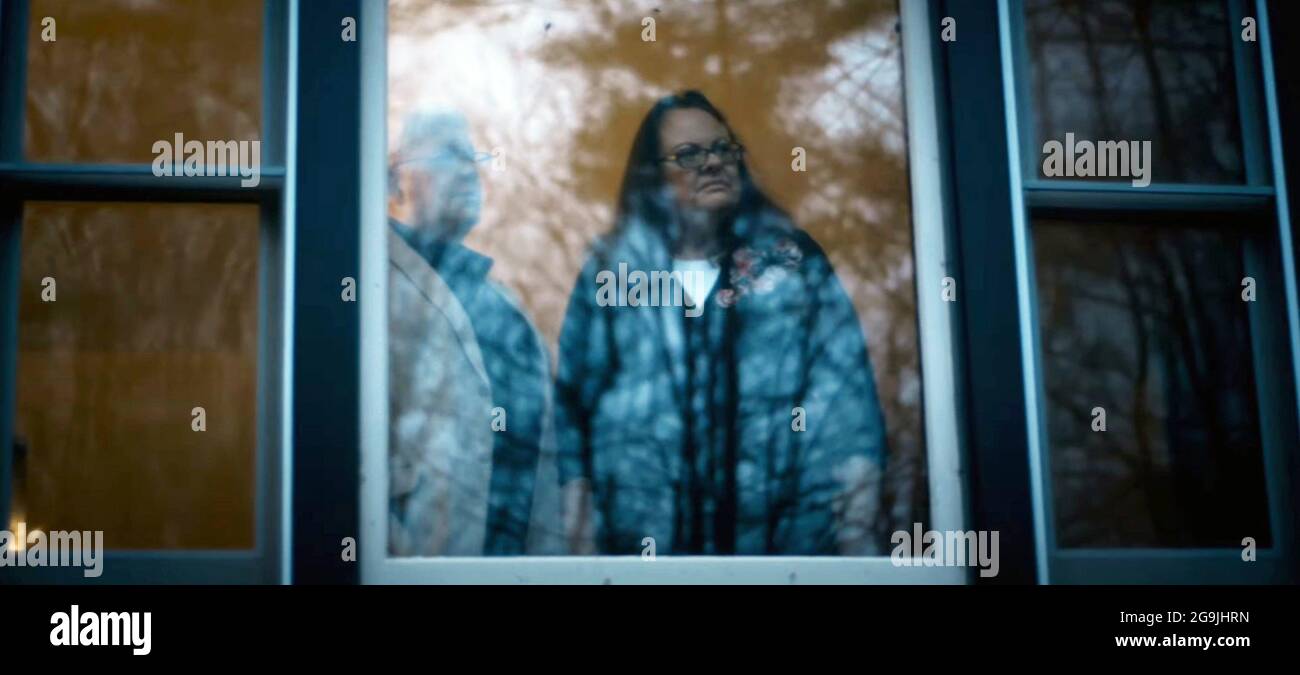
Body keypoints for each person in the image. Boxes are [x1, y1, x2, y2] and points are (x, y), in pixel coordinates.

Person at [554, 91, 887, 555]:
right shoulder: (611, 273)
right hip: (642, 560)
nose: (712, 163)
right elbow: (572, 408)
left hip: (781, 556)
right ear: (653, 178)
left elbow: (845, 407)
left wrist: (852, 531)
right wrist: (580, 530)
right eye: (688, 155)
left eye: (723, 148)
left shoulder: (792, 267)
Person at [387, 111, 554, 556]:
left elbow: (544, 469)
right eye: (448, 154)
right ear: (398, 179)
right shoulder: (368, 288)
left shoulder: (504, 310)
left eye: (472, 156)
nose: (468, 169)